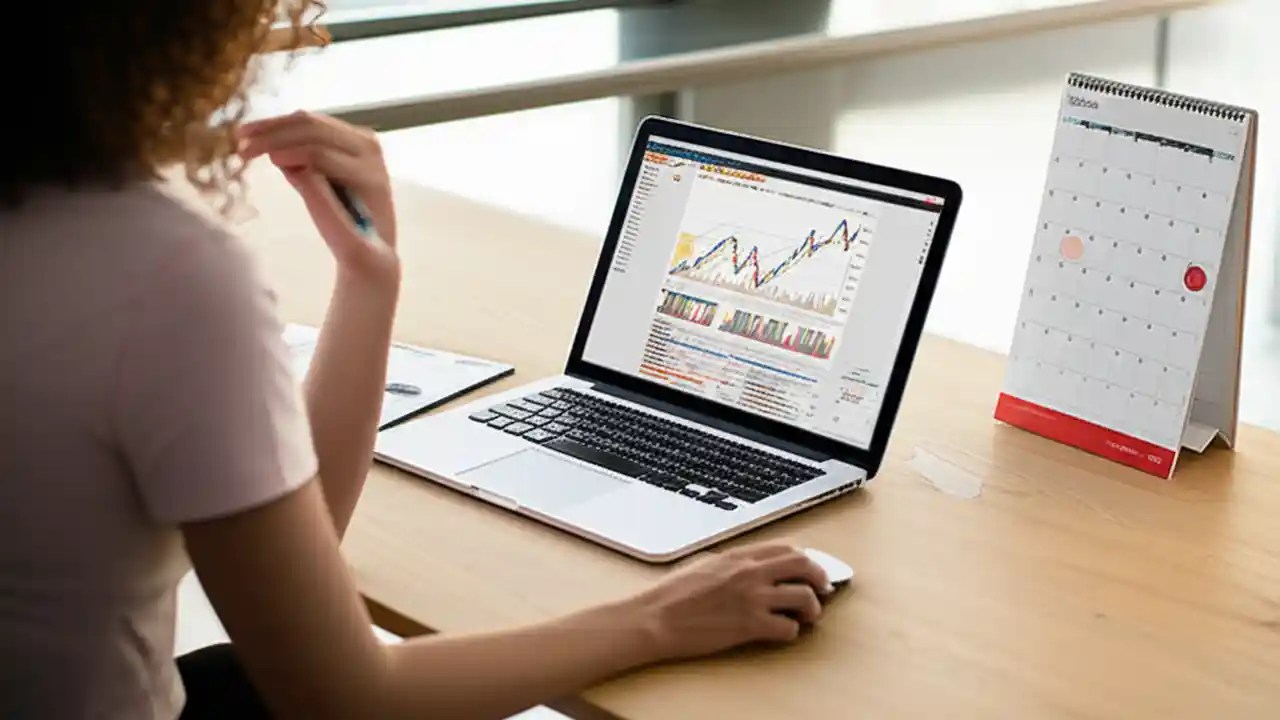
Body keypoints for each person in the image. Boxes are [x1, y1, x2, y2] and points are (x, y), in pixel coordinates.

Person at [0, 3, 832, 719]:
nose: (290, 35)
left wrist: (370, 282)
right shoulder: (165, 276)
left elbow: (298, 553)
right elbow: (347, 699)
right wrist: (661, 617)